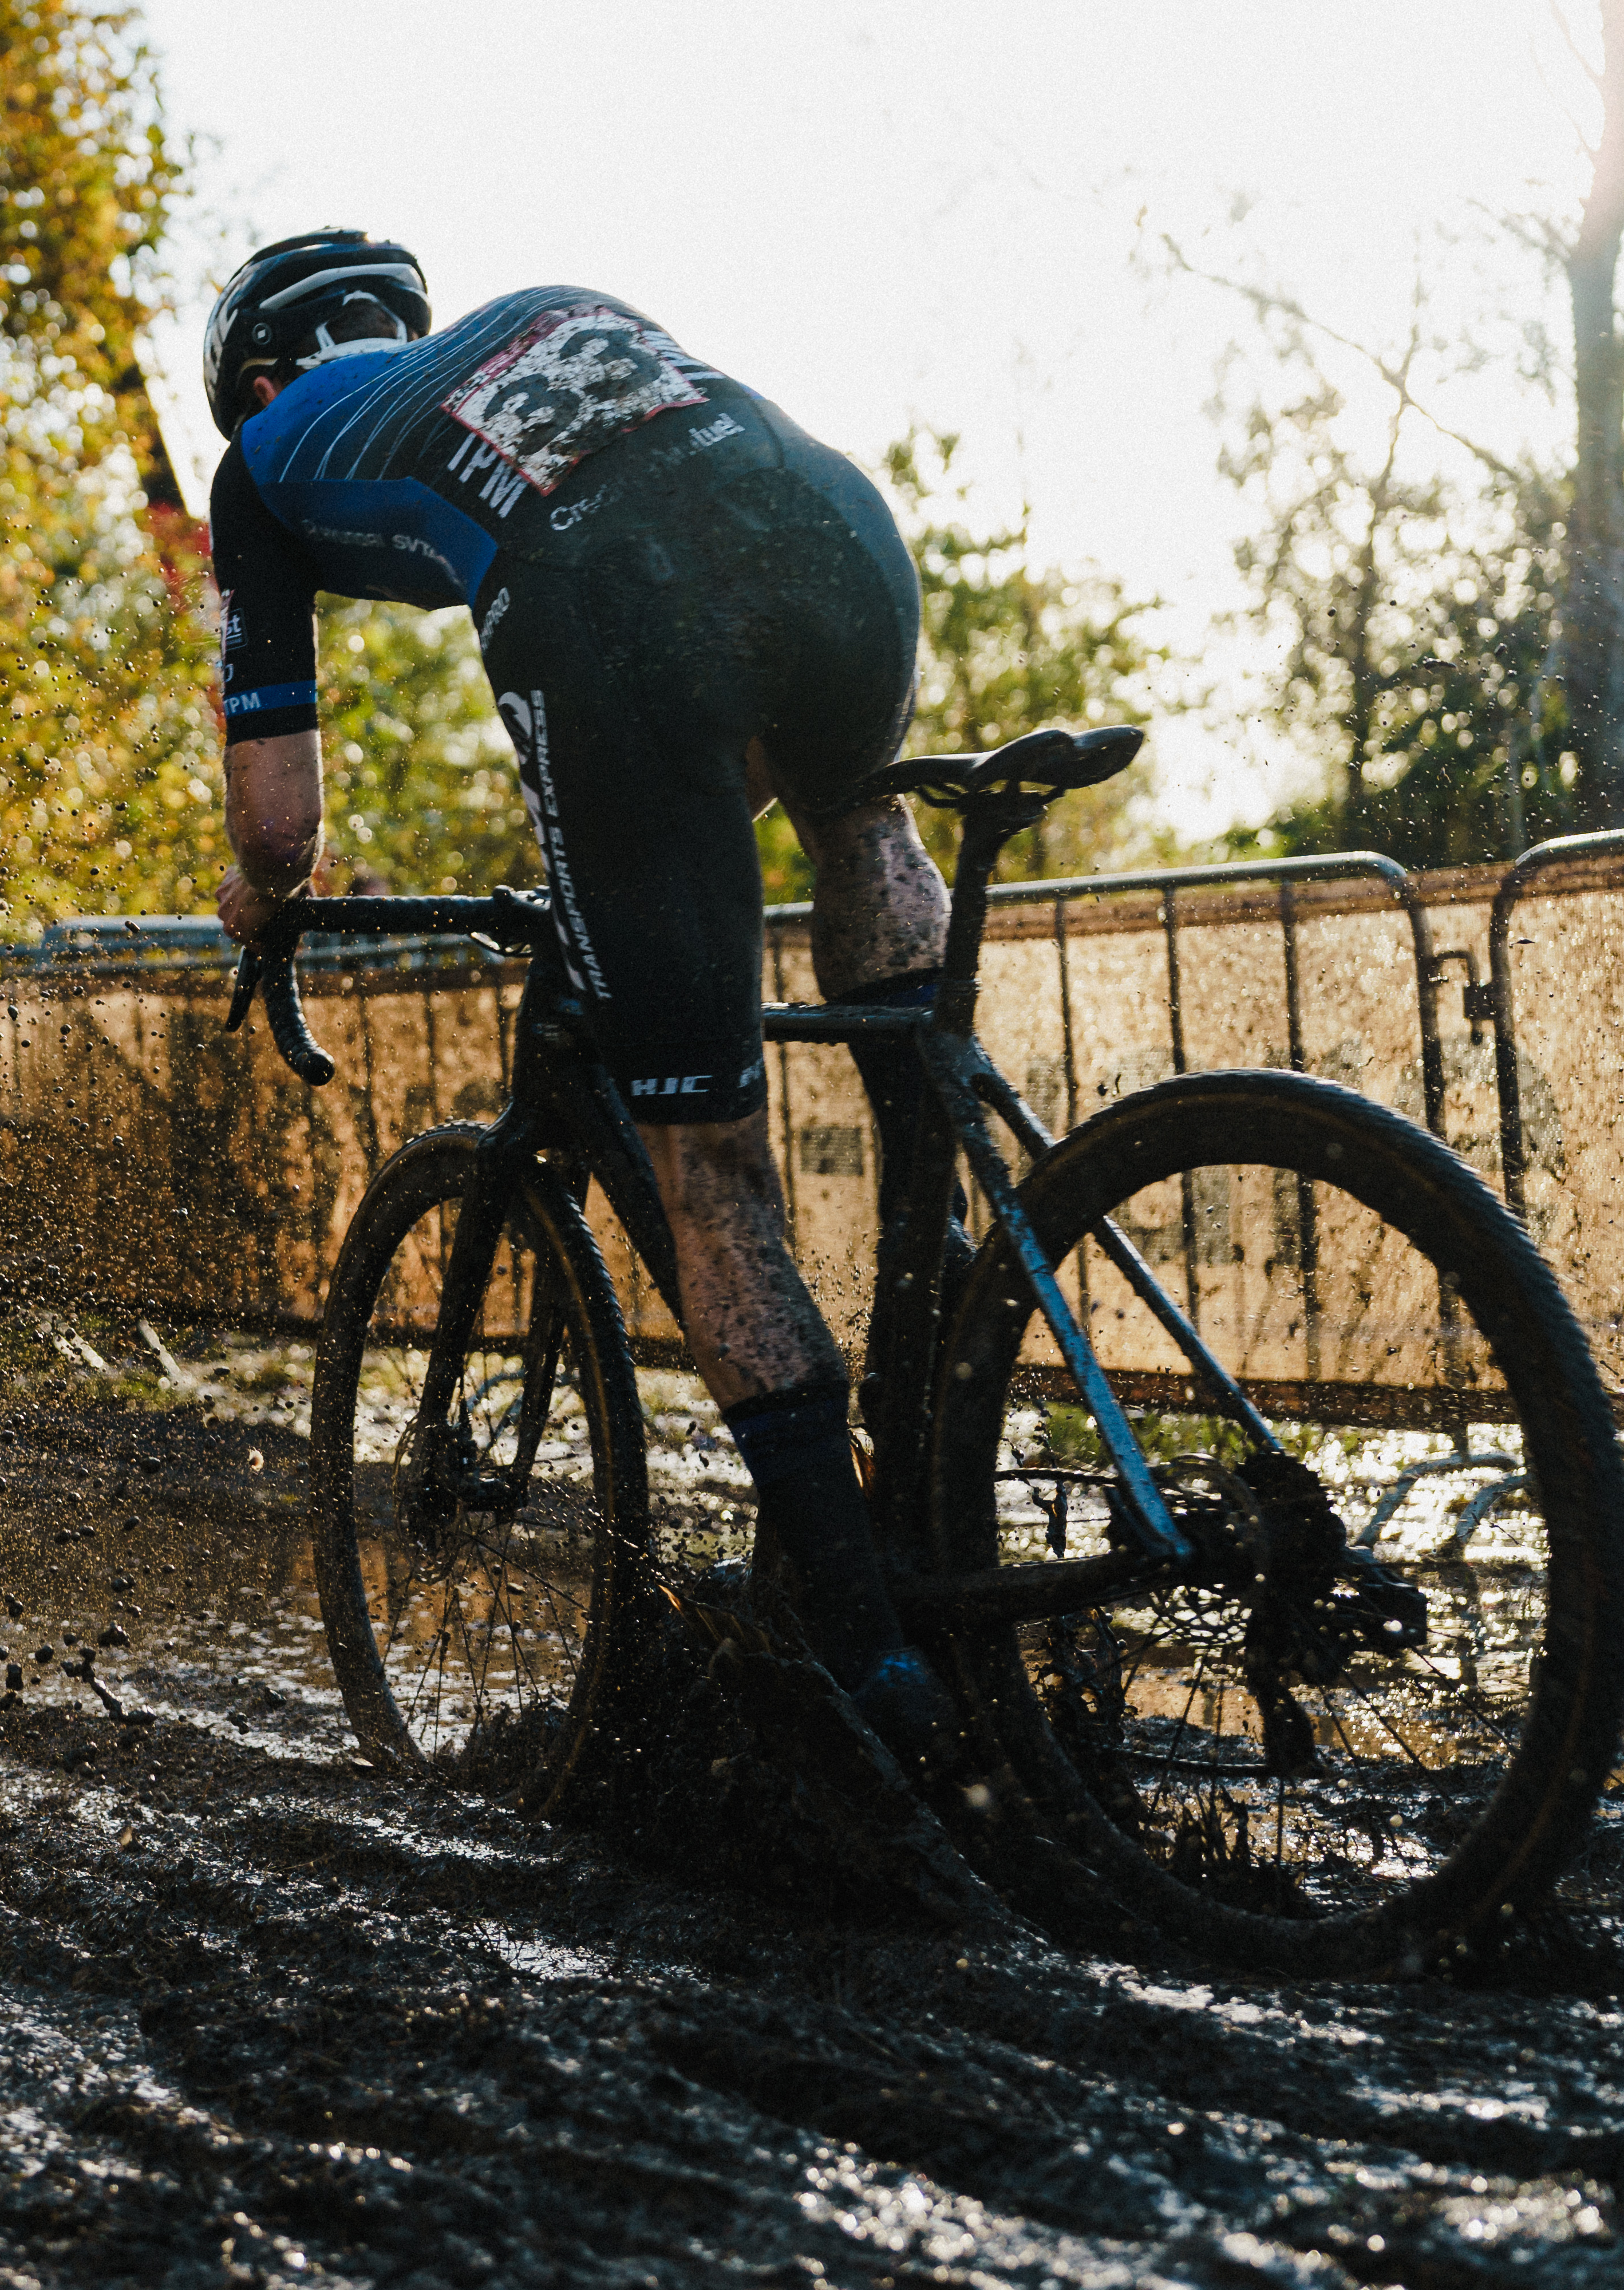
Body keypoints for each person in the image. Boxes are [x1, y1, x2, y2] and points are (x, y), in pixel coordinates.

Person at [198, 230, 955, 1758]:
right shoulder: (535, 322)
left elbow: (278, 828)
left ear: (261, 380)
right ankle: (940, 1292)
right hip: (831, 523)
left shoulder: (263, 461)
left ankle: (877, 1674)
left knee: (712, 1184)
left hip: (609, 598)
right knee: (859, 822)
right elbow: (710, 581)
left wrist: (263, 899)